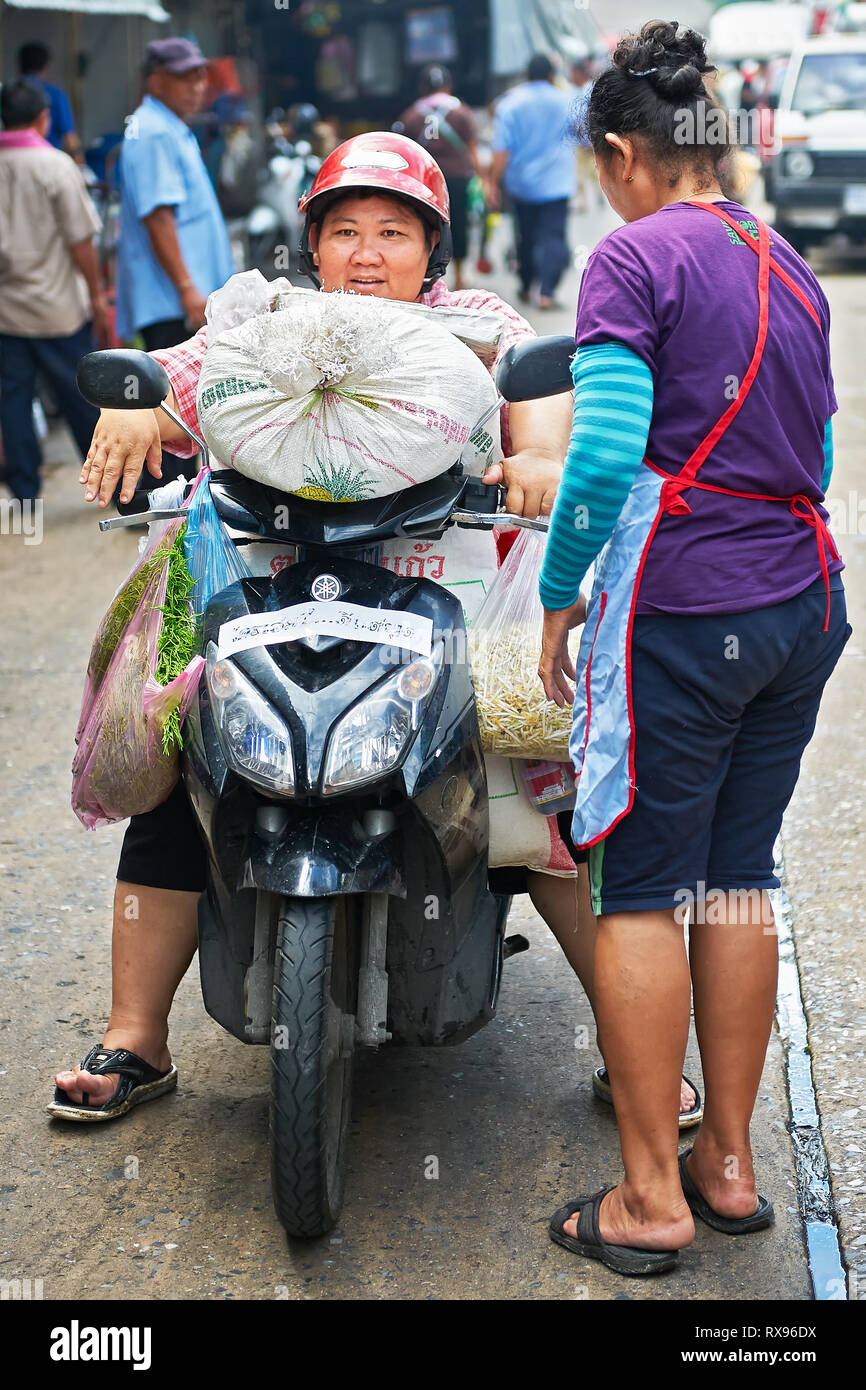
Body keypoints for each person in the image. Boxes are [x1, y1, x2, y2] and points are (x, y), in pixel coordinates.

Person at [51, 132, 700, 1126]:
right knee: (185, 777)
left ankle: (633, 1057)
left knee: (542, 798)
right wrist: (145, 410)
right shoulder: (264, 323)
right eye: (344, 230)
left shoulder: (472, 327)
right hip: (268, 607)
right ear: (311, 244)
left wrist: (536, 458)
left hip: (444, 617)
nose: (365, 254)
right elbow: (184, 381)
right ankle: (137, 1036)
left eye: (392, 232)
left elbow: (536, 399)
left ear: (431, 249)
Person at [538, 21, 849, 1276]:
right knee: (734, 877)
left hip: (687, 609)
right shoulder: (789, 263)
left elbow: (605, 451)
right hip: (800, 605)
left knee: (636, 888)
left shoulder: (632, 255)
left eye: (599, 167)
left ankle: (649, 1195)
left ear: (623, 153)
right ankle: (726, 1162)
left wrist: (555, 594)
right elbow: (813, 452)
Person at [0, 79, 105, 503]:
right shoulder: (55, 165)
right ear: (44, 118)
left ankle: (24, 496)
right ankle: (106, 484)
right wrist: (97, 295)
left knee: (14, 403)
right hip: (57, 308)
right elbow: (82, 241)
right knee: (80, 396)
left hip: (6, 312)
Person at [488, 54, 577, 310]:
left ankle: (527, 285)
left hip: (522, 184)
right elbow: (583, 136)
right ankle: (547, 292)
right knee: (554, 237)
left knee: (524, 237)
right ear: (551, 75)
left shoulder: (510, 103)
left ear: (526, 75)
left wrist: (492, 182)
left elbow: (501, 149)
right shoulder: (567, 99)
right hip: (558, 183)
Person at [397, 64, 482, 291]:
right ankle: (460, 276)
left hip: (425, 181)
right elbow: (472, 150)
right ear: (449, 85)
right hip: (457, 177)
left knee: (425, 224)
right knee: (459, 225)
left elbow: (404, 150)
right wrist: (482, 178)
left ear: (422, 87)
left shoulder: (411, 115)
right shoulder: (462, 113)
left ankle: (425, 275)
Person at [17, 42, 84, 165]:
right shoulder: (54, 94)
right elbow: (70, 137)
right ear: (45, 66)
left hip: (14, 158)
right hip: (48, 160)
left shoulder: (7, 93)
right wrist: (81, 167)